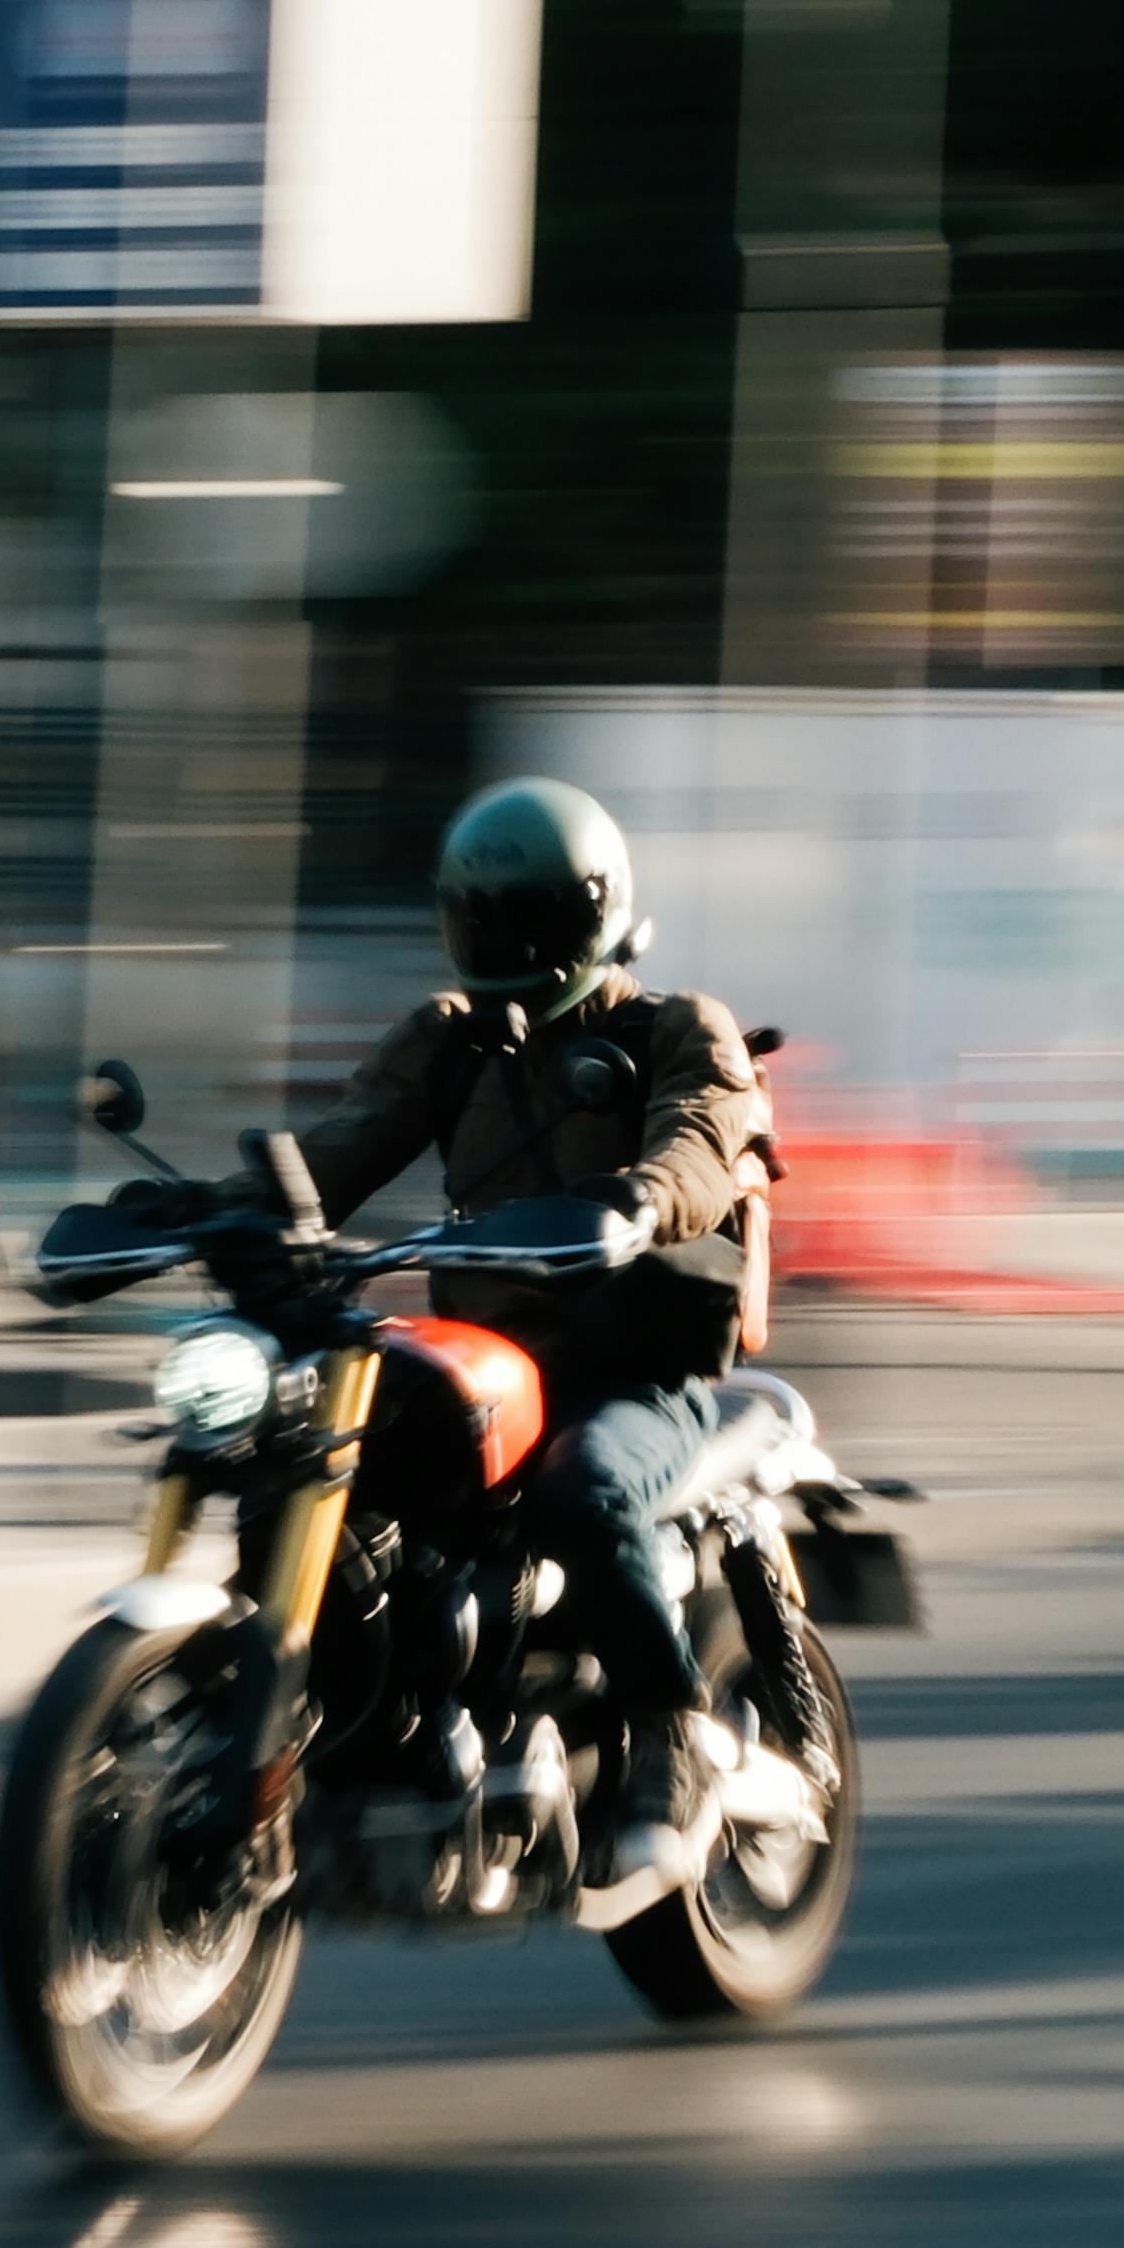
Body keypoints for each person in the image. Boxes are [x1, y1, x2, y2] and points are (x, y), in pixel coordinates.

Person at [249, 775, 832, 1879]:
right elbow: (341, 1148)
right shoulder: (450, 1040)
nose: (501, 937)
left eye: (530, 915)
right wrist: (223, 1210)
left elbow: (704, 1142)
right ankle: (350, 1731)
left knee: (585, 1488)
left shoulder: (674, 1028)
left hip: (636, 1377)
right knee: (306, 1464)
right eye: (480, 914)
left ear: (593, 914)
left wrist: (643, 1200)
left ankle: (674, 1731)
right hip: (490, 1366)